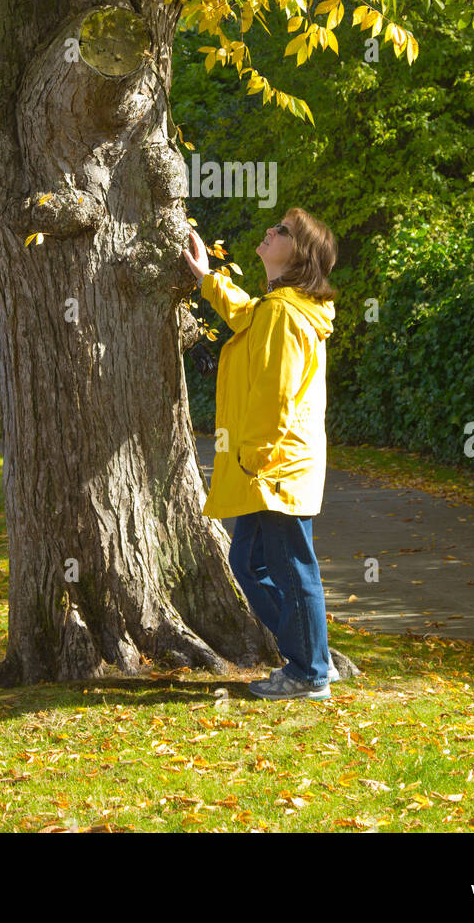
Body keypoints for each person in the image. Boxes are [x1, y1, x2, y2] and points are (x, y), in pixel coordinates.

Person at [182, 207, 338, 700]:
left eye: (283, 231)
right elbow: (247, 316)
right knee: (250, 562)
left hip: (274, 468)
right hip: (270, 467)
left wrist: (254, 456)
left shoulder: (286, 314)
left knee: (292, 567)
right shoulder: (278, 309)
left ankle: (311, 672)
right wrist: (208, 280)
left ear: (300, 256)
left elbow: (277, 394)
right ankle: (311, 657)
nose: (270, 231)